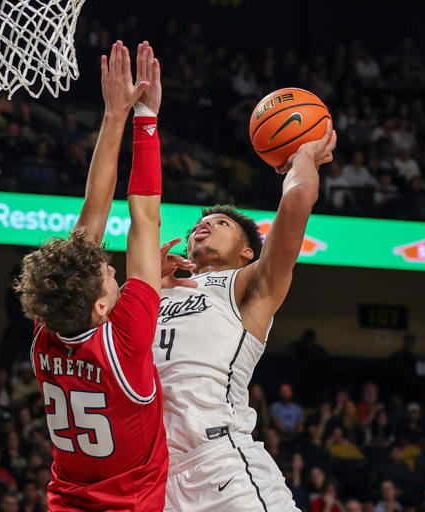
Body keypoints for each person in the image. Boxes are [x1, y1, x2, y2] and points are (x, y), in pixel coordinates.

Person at [147, 117, 335, 509]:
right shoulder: (154, 292)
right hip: (155, 475)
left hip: (222, 464)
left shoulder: (249, 284)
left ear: (247, 252)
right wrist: (147, 286)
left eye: (220, 223)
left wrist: (303, 155)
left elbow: (297, 199)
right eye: (201, 222)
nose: (205, 225)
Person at [16, 41, 168, 511]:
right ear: (103, 307)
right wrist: (138, 117)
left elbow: (108, 214)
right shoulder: (115, 337)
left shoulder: (52, 332)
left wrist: (124, 116)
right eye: (107, 274)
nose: (110, 266)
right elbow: (136, 217)